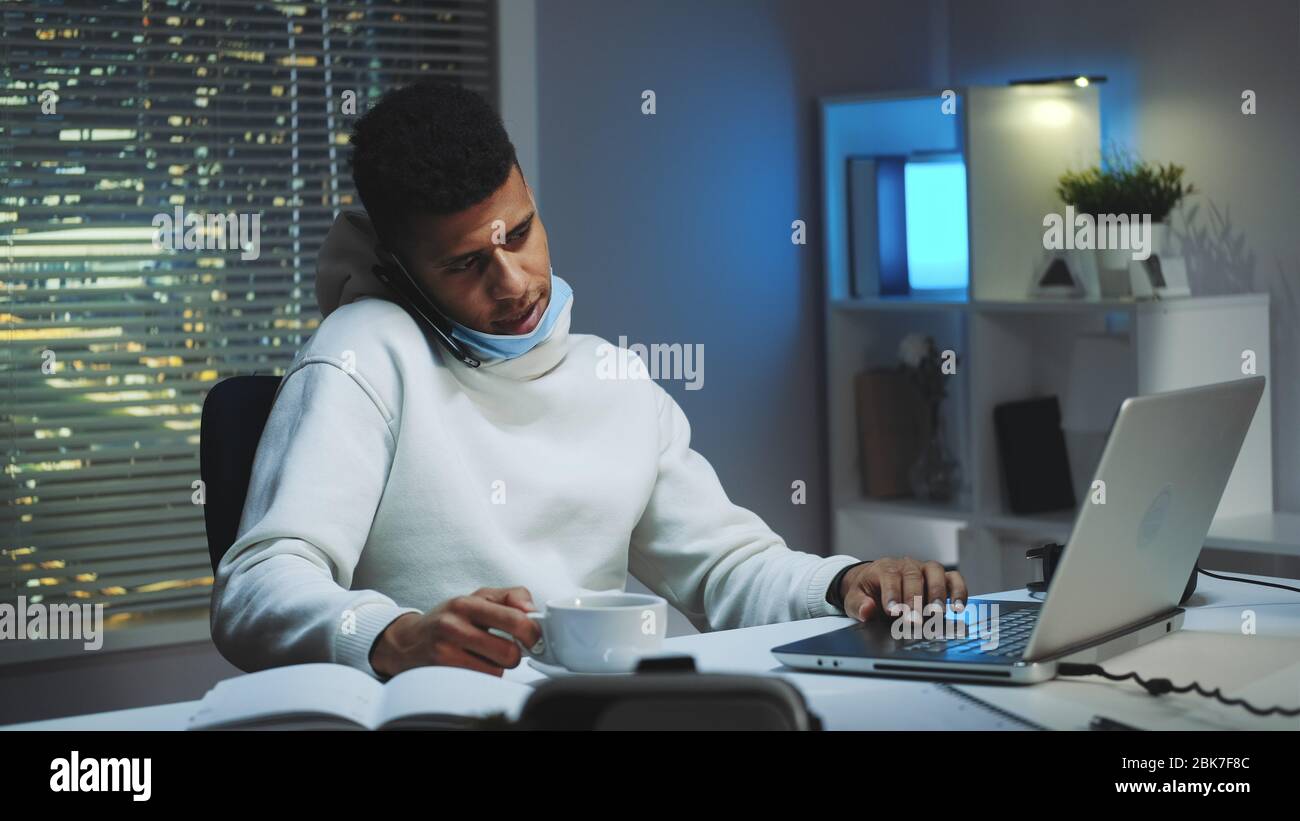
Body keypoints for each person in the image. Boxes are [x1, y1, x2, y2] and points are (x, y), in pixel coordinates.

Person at [210, 80, 967, 681]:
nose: (513, 283)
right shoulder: (361, 354)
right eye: (466, 263)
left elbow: (730, 569)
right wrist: (394, 635)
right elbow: (256, 588)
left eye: (521, 233)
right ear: (399, 271)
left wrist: (849, 582)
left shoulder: (615, 377)